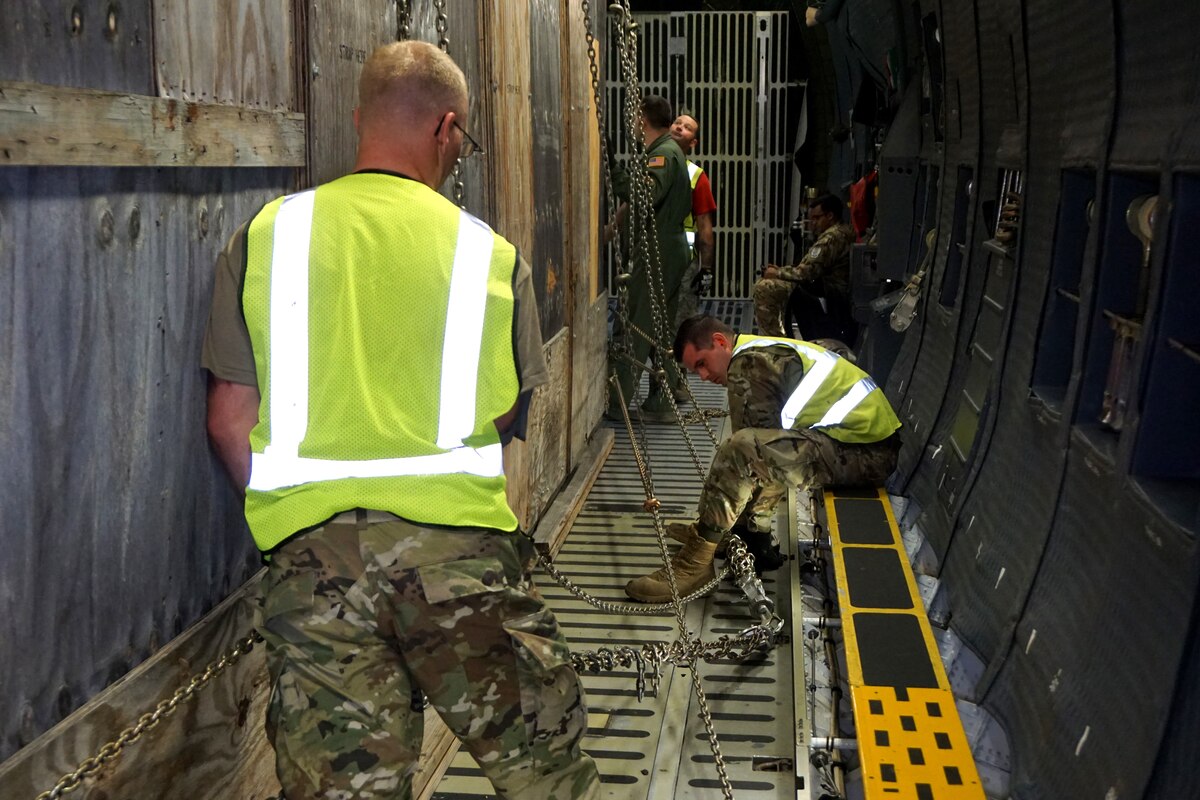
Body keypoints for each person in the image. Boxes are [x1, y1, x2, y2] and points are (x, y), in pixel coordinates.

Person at [203, 41, 600, 800]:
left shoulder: (265, 238)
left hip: (313, 574)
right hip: (459, 566)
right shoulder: (489, 256)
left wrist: (302, 522)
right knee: (549, 776)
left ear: (360, 120)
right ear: (447, 129)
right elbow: (504, 417)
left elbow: (229, 421)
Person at [624, 315, 902, 603]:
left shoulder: (747, 365)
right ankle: (722, 533)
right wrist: (754, 532)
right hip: (867, 446)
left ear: (720, 342)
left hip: (863, 454)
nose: (703, 377)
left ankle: (694, 564)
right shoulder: (762, 347)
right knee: (755, 449)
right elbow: (771, 456)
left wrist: (750, 531)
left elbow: (750, 459)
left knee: (740, 449)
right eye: (696, 371)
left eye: (702, 363)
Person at [608, 94, 693, 421]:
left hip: (659, 249)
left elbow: (645, 195)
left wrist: (614, 169)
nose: (632, 123)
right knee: (661, 329)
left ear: (642, 120)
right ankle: (664, 399)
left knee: (636, 322)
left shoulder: (662, 155)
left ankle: (616, 401)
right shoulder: (667, 152)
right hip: (669, 248)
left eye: (634, 118)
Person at [753, 193, 856, 340]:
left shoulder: (831, 237)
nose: (813, 223)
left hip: (828, 290)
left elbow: (806, 273)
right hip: (827, 288)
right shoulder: (843, 231)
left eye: (817, 218)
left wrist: (777, 273)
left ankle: (775, 340)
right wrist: (780, 270)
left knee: (765, 287)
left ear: (830, 216)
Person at [669, 113, 718, 328]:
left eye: (687, 127)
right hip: (647, 256)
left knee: (682, 324)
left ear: (693, 143)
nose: (680, 127)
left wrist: (706, 269)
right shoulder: (647, 164)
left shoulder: (696, 176)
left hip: (683, 264)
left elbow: (705, 227)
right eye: (677, 123)